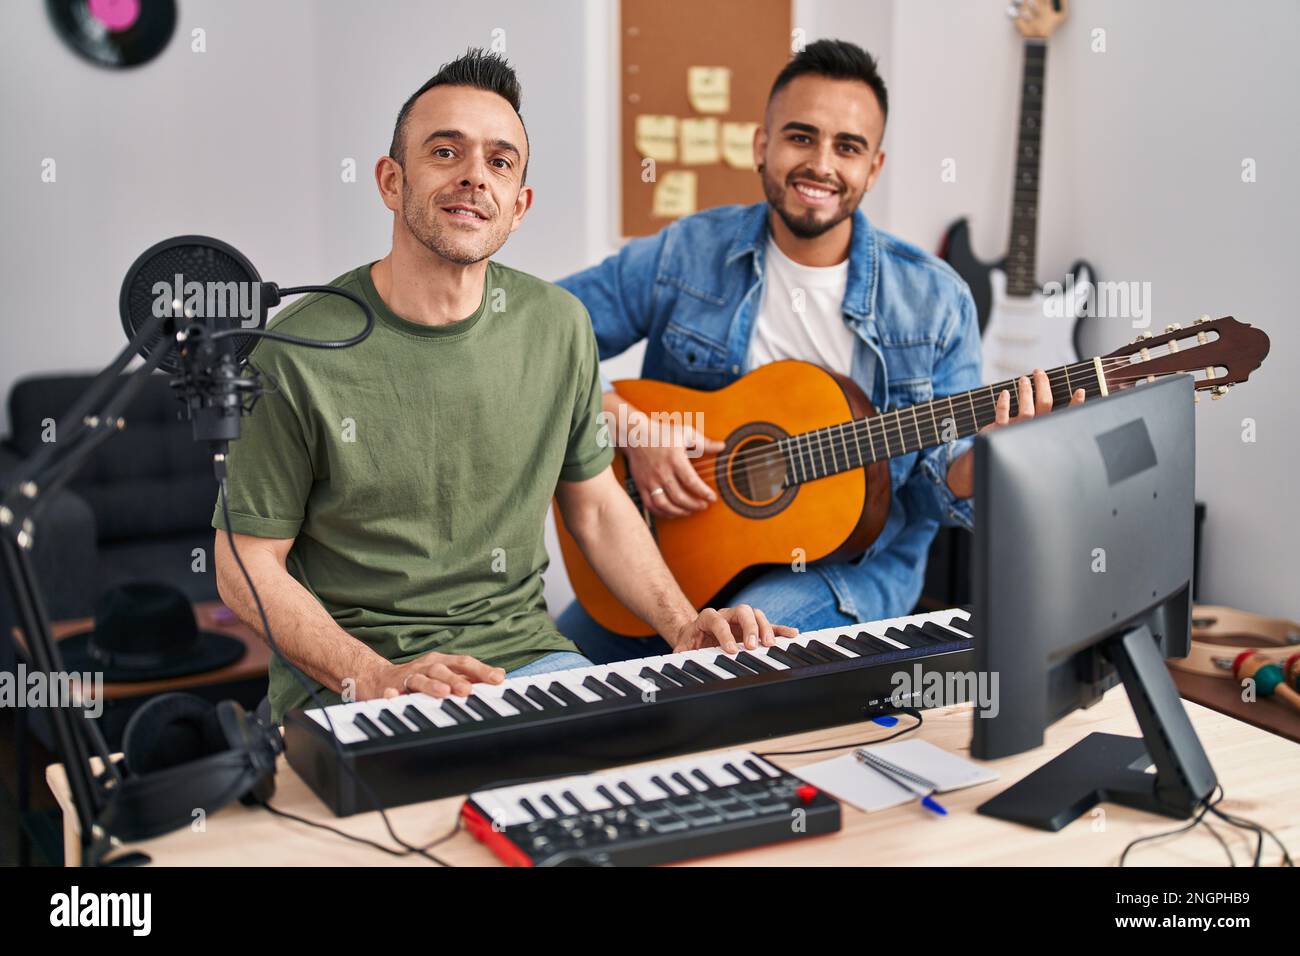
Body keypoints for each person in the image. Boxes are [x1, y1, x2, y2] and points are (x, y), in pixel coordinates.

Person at [212, 50, 795, 723]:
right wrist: (371, 675)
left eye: (499, 161)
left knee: (660, 780)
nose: (472, 178)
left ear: (518, 206)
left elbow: (598, 506)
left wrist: (683, 626)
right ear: (390, 181)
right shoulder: (296, 350)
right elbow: (241, 561)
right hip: (353, 687)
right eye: (445, 152)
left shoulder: (558, 326)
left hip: (527, 664)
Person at [557, 39, 1082, 663]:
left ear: (874, 168)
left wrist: (993, 452)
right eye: (801, 138)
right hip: (665, 550)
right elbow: (538, 335)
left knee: (725, 663)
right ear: (763, 146)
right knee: (541, 688)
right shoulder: (689, 252)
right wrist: (627, 423)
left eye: (848, 147)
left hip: (851, 570)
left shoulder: (934, 300)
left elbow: (938, 489)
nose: (821, 165)